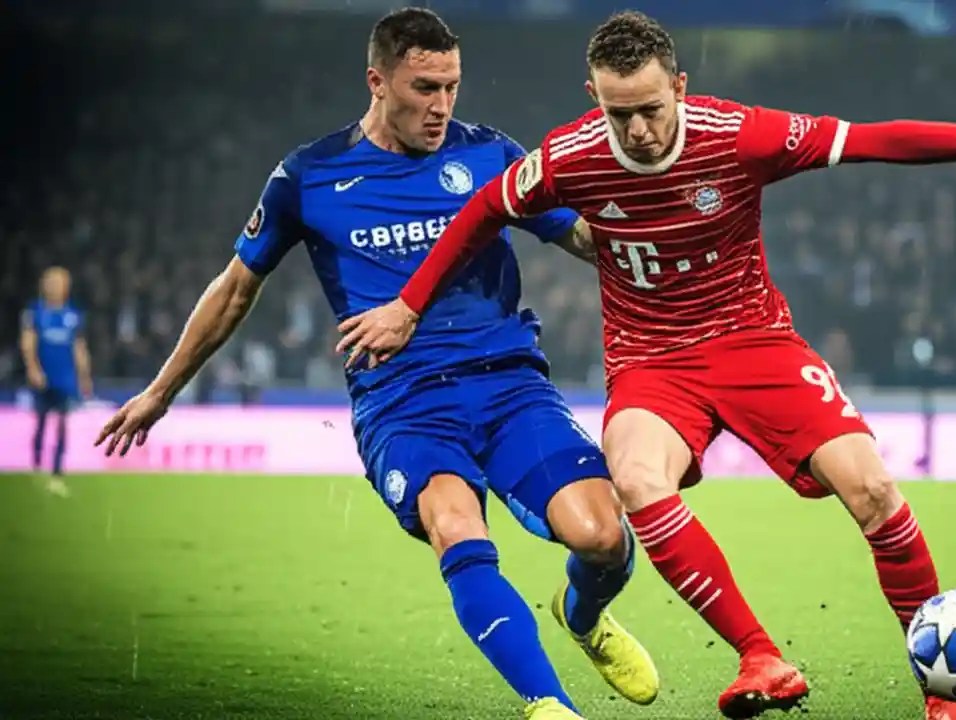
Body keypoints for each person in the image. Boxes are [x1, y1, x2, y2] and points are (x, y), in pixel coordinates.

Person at [334, 10, 956, 720]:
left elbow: (876, 139)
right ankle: (760, 655)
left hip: (755, 345)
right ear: (593, 97)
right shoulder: (568, 157)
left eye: (650, 108)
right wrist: (409, 304)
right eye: (618, 112)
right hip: (650, 363)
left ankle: (944, 702)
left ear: (679, 85)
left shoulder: (739, 134)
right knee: (636, 480)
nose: (637, 129)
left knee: (873, 488)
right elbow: (485, 209)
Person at [93, 8, 658, 720]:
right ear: (377, 80)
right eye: (424, 87)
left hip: (510, 384)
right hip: (403, 402)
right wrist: (161, 391)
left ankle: (581, 618)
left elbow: (578, 236)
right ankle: (549, 706)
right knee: (457, 528)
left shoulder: (488, 155)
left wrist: (654, 226)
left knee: (603, 539)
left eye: (452, 86)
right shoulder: (310, 175)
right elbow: (237, 285)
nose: (442, 105)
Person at [21, 266, 92, 496]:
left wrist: (84, 377)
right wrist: (33, 368)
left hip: (66, 379)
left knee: (62, 425)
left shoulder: (73, 315)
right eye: (51, 281)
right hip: (44, 378)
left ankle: (57, 473)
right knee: (41, 422)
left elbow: (79, 348)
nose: (55, 286)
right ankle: (36, 468)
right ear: (44, 284)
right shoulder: (35, 312)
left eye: (60, 282)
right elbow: (28, 342)